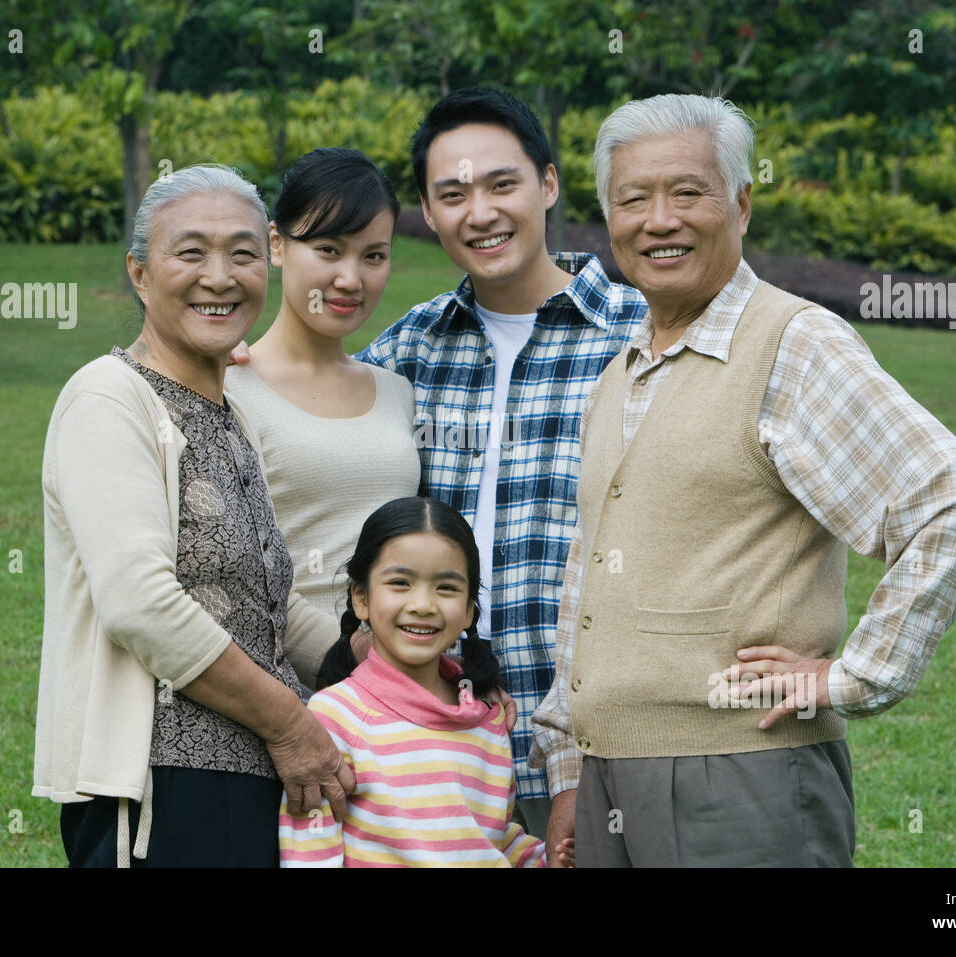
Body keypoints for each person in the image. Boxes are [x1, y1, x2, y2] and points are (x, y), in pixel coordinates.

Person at [530, 94, 956, 866]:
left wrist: (855, 676)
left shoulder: (792, 343)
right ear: (607, 218)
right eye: (633, 198)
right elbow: (589, 582)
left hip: (740, 779)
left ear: (741, 205)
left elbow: (951, 495)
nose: (660, 219)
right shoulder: (620, 373)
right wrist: (575, 772)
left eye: (688, 192)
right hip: (613, 778)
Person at [351, 87, 651, 859]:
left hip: (598, 747)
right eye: (452, 194)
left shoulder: (637, 333)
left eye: (501, 184)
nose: (479, 212)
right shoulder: (411, 349)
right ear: (427, 209)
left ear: (548, 185)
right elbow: (313, 430)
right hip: (436, 743)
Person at [33, 163, 355, 867]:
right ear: (140, 273)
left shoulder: (231, 412)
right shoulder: (108, 399)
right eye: (191, 252)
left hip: (255, 783)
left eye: (242, 253)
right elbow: (140, 603)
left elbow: (270, 601)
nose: (220, 276)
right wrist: (292, 723)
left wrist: (380, 662)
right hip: (159, 790)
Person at [278, 496, 571, 867]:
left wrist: (550, 859)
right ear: (361, 598)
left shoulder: (488, 716)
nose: (423, 604)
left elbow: (490, 834)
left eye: (446, 588)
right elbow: (310, 847)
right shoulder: (334, 714)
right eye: (400, 582)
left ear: (468, 610)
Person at [225, 148, 420, 620]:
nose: (350, 279)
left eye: (373, 256)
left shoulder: (397, 392)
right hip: (280, 675)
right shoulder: (226, 386)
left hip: (393, 679)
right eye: (329, 250)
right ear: (276, 243)